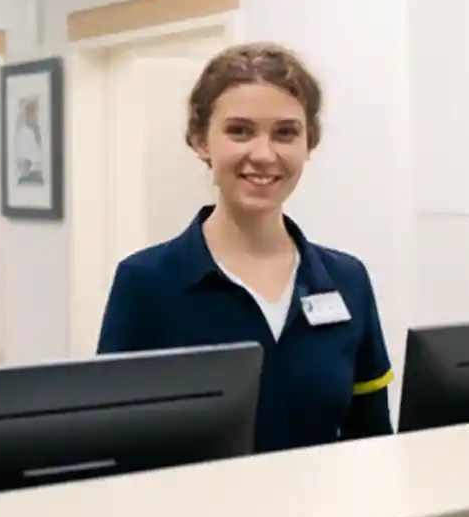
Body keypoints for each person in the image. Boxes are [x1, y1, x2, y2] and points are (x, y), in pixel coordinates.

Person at [96, 42, 393, 452]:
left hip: (327, 515)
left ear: (310, 144)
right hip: (191, 514)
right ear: (200, 140)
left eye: (286, 133)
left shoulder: (347, 280)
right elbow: (113, 444)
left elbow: (373, 440)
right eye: (240, 131)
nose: (264, 154)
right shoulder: (146, 282)